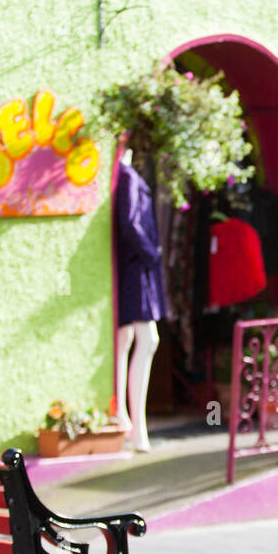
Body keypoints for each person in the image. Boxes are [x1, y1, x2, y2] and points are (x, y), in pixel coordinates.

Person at [113, 150, 169, 452]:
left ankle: (129, 421)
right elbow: (130, 223)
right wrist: (152, 254)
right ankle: (135, 426)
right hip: (137, 271)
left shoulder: (125, 177)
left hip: (132, 268)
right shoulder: (129, 178)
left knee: (128, 339)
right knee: (147, 340)